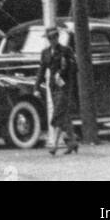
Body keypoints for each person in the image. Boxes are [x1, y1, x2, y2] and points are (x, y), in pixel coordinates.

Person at [34, 26, 79, 155]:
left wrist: (64, 70)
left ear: (58, 37)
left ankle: (54, 144)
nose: (52, 40)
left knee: (58, 114)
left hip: (65, 87)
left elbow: (75, 68)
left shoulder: (66, 50)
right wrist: (36, 87)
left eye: (54, 37)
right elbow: (41, 71)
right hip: (53, 87)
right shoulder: (45, 53)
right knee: (64, 115)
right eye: (50, 38)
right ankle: (73, 142)